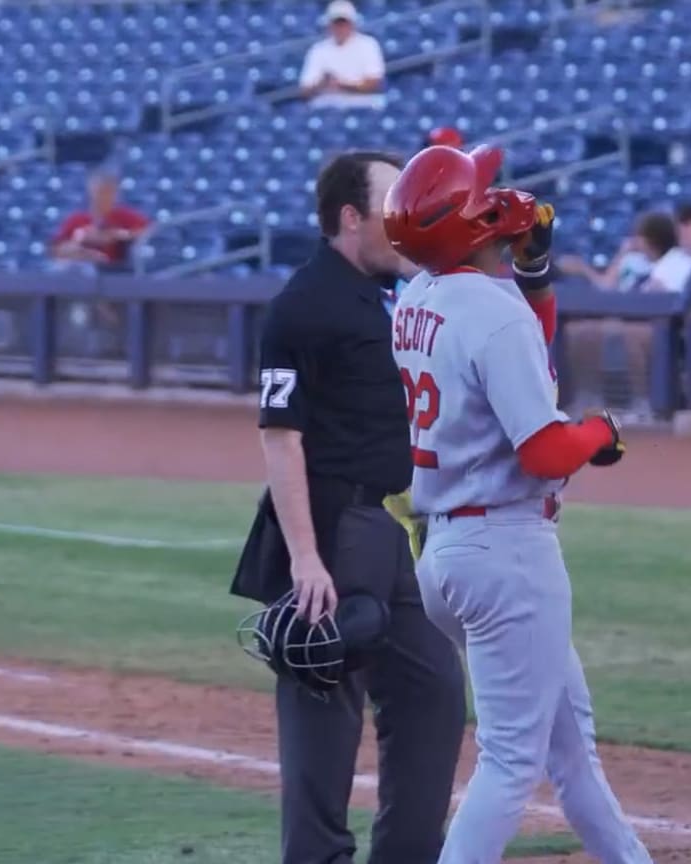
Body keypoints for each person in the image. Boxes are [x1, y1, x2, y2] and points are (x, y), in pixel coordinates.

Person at [383, 144, 656, 864]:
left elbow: (516, 353)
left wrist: (528, 267)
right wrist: (601, 431)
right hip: (505, 552)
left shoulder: (416, 297)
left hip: (451, 548)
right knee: (509, 765)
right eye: (483, 192)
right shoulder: (490, 311)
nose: (498, 195)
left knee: (570, 755)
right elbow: (542, 450)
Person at [229, 151, 466, 864]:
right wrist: (304, 557)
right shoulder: (303, 307)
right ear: (350, 217)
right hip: (333, 530)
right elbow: (280, 438)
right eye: (391, 205)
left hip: (391, 529)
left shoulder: (394, 296)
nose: (406, 218)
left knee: (433, 692)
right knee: (323, 707)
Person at [559, 212, 691, 420]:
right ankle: (589, 397)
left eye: (638, 236)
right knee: (579, 332)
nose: (633, 241)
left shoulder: (675, 262)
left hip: (662, 327)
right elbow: (607, 288)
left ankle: (643, 403)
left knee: (630, 335)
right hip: (623, 319)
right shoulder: (632, 260)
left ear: (652, 239)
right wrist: (610, 260)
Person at [48, 165, 150, 269]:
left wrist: (117, 236)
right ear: (91, 190)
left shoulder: (126, 217)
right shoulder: (77, 220)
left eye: (109, 192)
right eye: (101, 191)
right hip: (82, 272)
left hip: (116, 273)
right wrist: (81, 244)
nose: (105, 196)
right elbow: (56, 250)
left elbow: (150, 234)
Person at [299, 1, 387, 110]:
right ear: (329, 25)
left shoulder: (368, 45)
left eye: (344, 22)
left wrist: (342, 85)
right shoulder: (318, 50)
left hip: (363, 102)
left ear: (352, 24)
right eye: (336, 23)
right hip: (329, 105)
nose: (340, 27)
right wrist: (322, 83)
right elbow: (305, 90)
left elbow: (374, 83)